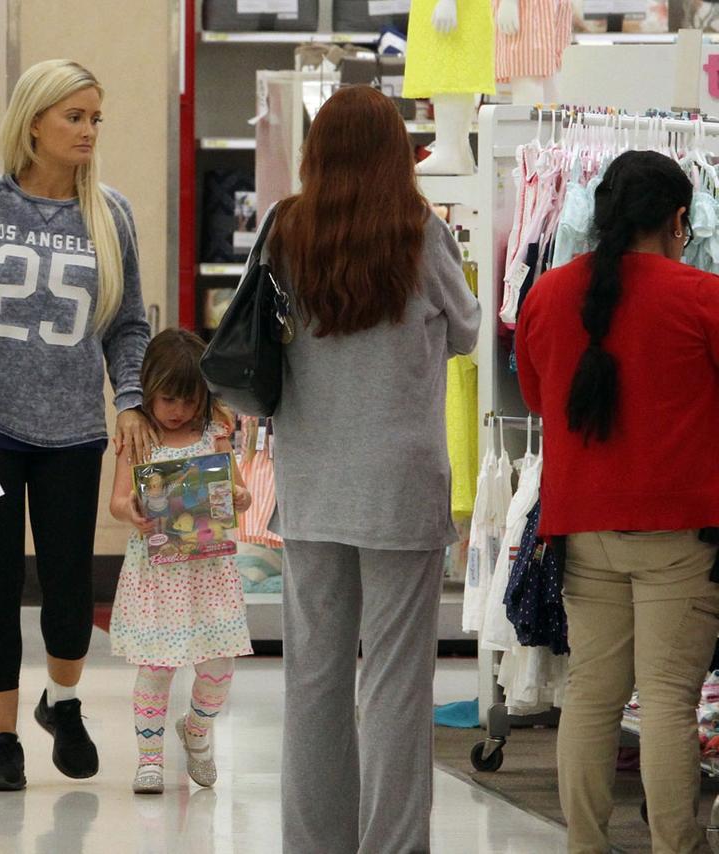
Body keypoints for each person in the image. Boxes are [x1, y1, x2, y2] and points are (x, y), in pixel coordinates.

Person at [0, 58, 154, 792]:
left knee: (72, 591)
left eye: (95, 118)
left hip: (75, 431)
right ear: (34, 121)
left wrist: (131, 396)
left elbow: (128, 324)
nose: (87, 130)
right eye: (74, 116)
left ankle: (64, 700)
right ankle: (3, 740)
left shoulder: (110, 214)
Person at [268, 85, 480, 854]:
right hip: (401, 484)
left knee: (314, 681)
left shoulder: (285, 230)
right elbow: (463, 333)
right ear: (399, 152)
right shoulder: (420, 233)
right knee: (395, 682)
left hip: (314, 482)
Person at [516, 150, 719, 854]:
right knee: (667, 701)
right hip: (678, 532)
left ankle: (585, 845)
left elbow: (538, 400)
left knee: (593, 698)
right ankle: (676, 847)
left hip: (581, 527)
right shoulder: (702, 297)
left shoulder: (545, 296)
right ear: (675, 220)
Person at [108, 328, 254, 795]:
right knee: (155, 667)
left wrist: (239, 495)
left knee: (219, 667)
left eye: (190, 400)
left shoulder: (215, 433)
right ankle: (148, 759)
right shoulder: (138, 438)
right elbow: (117, 500)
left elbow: (237, 491)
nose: (180, 411)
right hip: (156, 575)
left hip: (208, 571)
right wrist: (130, 511)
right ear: (147, 389)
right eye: (169, 399)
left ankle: (197, 729)